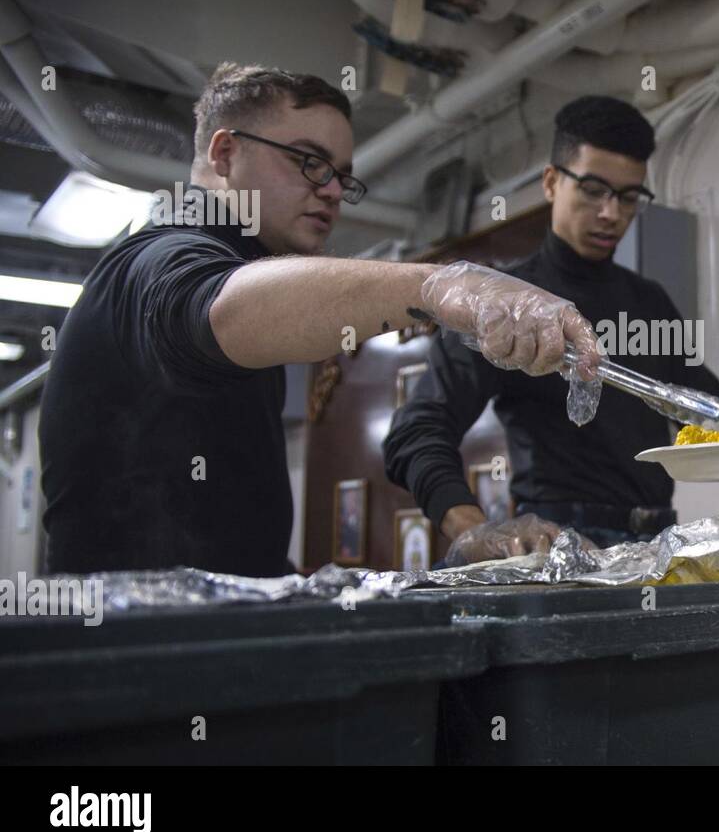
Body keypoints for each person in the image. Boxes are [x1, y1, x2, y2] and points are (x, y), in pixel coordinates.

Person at [39, 62, 599, 577]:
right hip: (128, 642)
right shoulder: (155, 260)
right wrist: (440, 286)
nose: (331, 191)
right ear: (225, 153)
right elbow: (221, 309)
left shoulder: (236, 265)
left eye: (341, 176)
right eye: (308, 161)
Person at [385, 96, 719, 565]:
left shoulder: (649, 301)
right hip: (558, 543)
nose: (611, 213)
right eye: (594, 190)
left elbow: (718, 420)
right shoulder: (505, 302)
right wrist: (475, 531)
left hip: (657, 543)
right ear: (551, 182)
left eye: (628, 197)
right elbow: (416, 429)